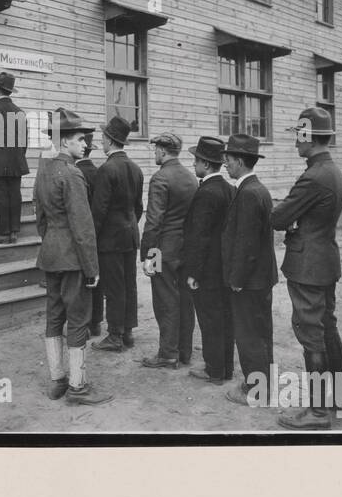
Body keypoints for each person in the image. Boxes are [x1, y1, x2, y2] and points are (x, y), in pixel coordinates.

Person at [271, 107, 342, 430]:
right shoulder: (331, 171)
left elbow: (278, 219)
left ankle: (317, 413)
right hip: (324, 260)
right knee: (326, 329)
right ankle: (337, 399)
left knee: (311, 336)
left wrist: (285, 219)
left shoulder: (313, 176)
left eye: (298, 136)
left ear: (308, 136)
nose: (295, 143)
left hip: (308, 267)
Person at [33, 108, 109, 406]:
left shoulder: (44, 169)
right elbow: (83, 227)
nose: (85, 145)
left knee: (54, 317)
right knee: (78, 320)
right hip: (74, 259)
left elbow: (40, 215)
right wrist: (92, 268)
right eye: (80, 139)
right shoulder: (73, 173)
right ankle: (78, 387)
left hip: (51, 254)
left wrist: (51, 242)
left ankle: (57, 381)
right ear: (64, 142)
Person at [219, 134, 278, 407]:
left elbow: (246, 242)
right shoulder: (257, 189)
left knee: (249, 335)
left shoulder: (248, 193)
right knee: (261, 332)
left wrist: (237, 279)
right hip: (260, 278)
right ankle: (263, 384)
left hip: (249, 280)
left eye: (228, 160)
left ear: (240, 162)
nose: (225, 165)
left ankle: (256, 389)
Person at [139, 132, 198, 369]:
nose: (154, 154)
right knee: (185, 300)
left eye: (155, 150)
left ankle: (167, 354)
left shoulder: (160, 178)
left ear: (162, 152)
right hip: (186, 248)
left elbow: (153, 221)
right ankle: (184, 352)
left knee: (165, 301)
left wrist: (146, 256)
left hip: (162, 250)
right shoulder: (190, 177)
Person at [182, 136, 235, 384]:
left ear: (205, 163)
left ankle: (213, 370)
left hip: (207, 270)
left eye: (195, 160)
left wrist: (193, 272)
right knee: (224, 317)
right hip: (224, 267)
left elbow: (199, 237)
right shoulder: (228, 188)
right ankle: (225, 367)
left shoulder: (206, 192)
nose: (193, 165)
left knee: (209, 319)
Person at [90, 116, 144, 353]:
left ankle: (114, 336)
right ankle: (128, 332)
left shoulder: (106, 169)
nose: (101, 141)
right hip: (130, 236)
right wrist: (129, 225)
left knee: (113, 287)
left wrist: (93, 238)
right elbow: (139, 207)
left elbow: (98, 211)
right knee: (129, 284)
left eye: (103, 137)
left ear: (110, 141)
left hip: (110, 240)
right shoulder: (136, 168)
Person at [0, 72, 30, 244]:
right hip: (16, 161)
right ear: (9, 92)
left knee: (0, 197)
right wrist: (17, 157)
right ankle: (14, 231)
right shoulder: (20, 112)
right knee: (14, 195)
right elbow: (24, 142)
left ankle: (3, 233)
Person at [74, 132, 104, 340]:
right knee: (96, 279)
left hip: (83, 233)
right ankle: (96, 323)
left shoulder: (75, 173)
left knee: (82, 281)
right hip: (99, 234)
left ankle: (84, 325)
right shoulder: (98, 172)